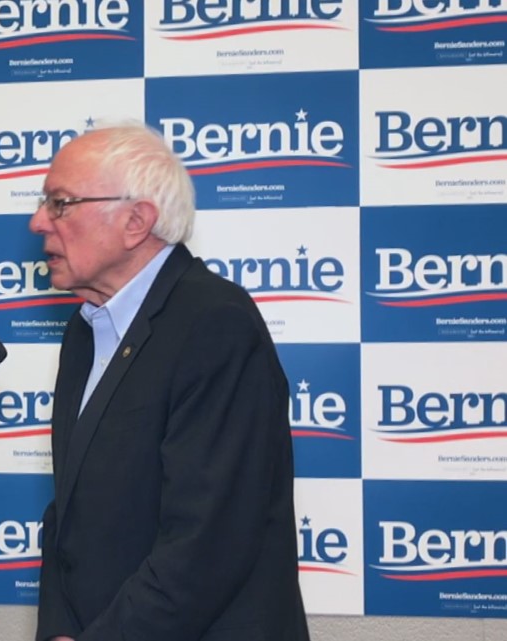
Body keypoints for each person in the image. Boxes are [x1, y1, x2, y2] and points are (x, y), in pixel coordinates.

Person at [31, 124, 309, 641]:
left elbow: (207, 545)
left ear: (136, 221)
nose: (38, 222)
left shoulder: (215, 323)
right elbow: (67, 517)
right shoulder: (85, 328)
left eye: (60, 203)